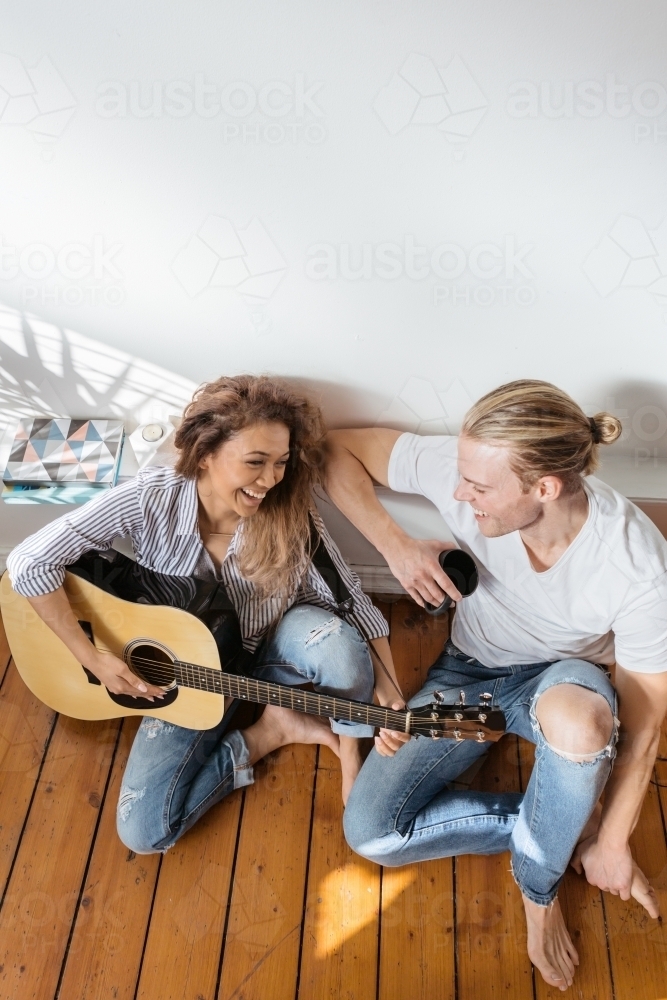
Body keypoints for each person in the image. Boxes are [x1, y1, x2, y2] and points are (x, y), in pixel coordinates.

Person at [324, 379, 667, 993]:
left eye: (478, 488)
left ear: (544, 488)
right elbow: (332, 450)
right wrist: (395, 547)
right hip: (469, 677)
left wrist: (615, 845)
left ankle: (539, 888)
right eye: (463, 478)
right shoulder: (471, 470)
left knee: (582, 728)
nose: (460, 495)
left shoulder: (635, 567)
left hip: (561, 681)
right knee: (372, 832)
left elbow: (641, 732)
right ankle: (558, 825)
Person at [7, 375, 403, 853]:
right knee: (144, 833)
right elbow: (29, 562)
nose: (271, 480)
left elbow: (351, 600)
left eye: (280, 462)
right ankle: (269, 733)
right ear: (205, 454)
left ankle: (350, 751)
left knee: (339, 645)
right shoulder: (150, 497)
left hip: (268, 644)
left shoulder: (289, 511)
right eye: (255, 462)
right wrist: (91, 658)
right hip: (190, 669)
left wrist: (389, 690)